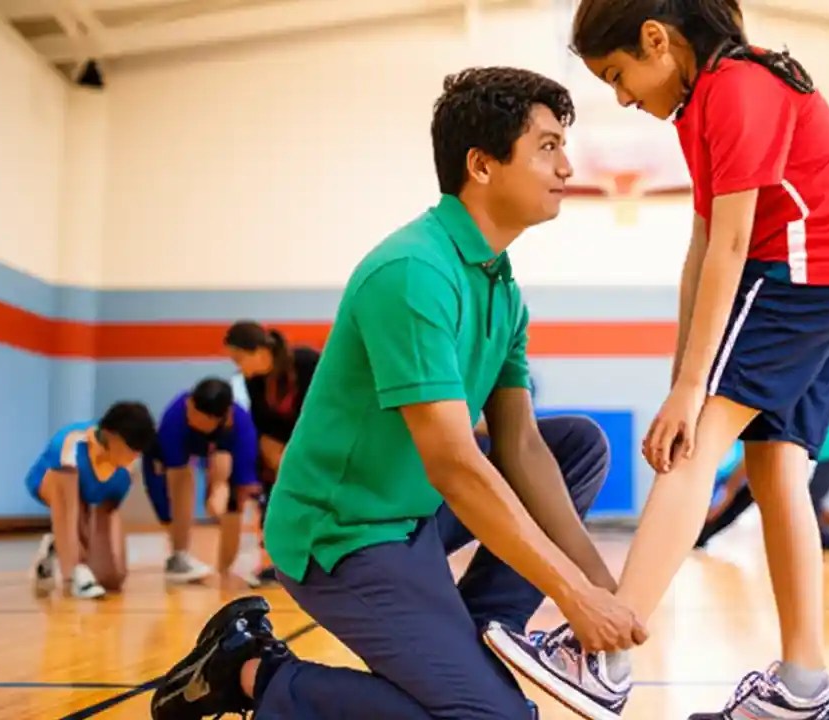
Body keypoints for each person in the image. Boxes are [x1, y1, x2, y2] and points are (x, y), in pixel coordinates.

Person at [150, 66, 644, 720]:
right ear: (483, 164)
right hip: (342, 537)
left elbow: (521, 446)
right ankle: (250, 674)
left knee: (576, 444)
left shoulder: (501, 286)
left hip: (414, 511)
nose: (566, 164)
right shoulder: (414, 272)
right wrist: (572, 599)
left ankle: (482, 634)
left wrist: (600, 588)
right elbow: (454, 463)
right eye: (547, 145)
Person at [484, 3, 829, 719]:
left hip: (795, 271)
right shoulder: (705, 104)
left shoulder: (737, 86)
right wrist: (680, 381)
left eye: (618, 74)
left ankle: (604, 653)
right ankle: (805, 686)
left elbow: (733, 246)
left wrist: (693, 395)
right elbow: (701, 245)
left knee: (691, 449)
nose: (623, 97)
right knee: (776, 468)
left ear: (657, 40)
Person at [224, 320, 322, 583]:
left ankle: (320, 564)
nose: (238, 367)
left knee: (316, 507)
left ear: (258, 350)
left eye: (239, 358)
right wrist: (274, 455)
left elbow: (324, 409)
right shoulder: (253, 381)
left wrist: (299, 454)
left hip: (314, 448)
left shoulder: (305, 362)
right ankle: (282, 565)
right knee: (276, 505)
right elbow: (261, 424)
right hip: (279, 455)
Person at [27, 401, 156, 600]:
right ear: (111, 435)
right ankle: (72, 566)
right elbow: (68, 511)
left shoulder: (128, 469)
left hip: (94, 495)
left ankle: (55, 547)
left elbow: (109, 508)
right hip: (56, 485)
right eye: (131, 448)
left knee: (112, 578)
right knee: (72, 512)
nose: (135, 456)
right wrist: (73, 569)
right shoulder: (70, 445)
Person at [143, 377, 262, 587]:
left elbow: (240, 490)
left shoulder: (242, 428)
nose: (190, 417)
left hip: (225, 453)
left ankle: (225, 568)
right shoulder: (176, 418)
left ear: (218, 418)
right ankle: (179, 555)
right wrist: (177, 530)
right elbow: (177, 478)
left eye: (196, 415)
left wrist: (218, 489)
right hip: (169, 459)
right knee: (178, 489)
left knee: (232, 503)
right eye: (190, 409)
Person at [696, 423, 829, 551]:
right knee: (799, 509)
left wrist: (727, 495)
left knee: (809, 531)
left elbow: (741, 475)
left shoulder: (758, 423)